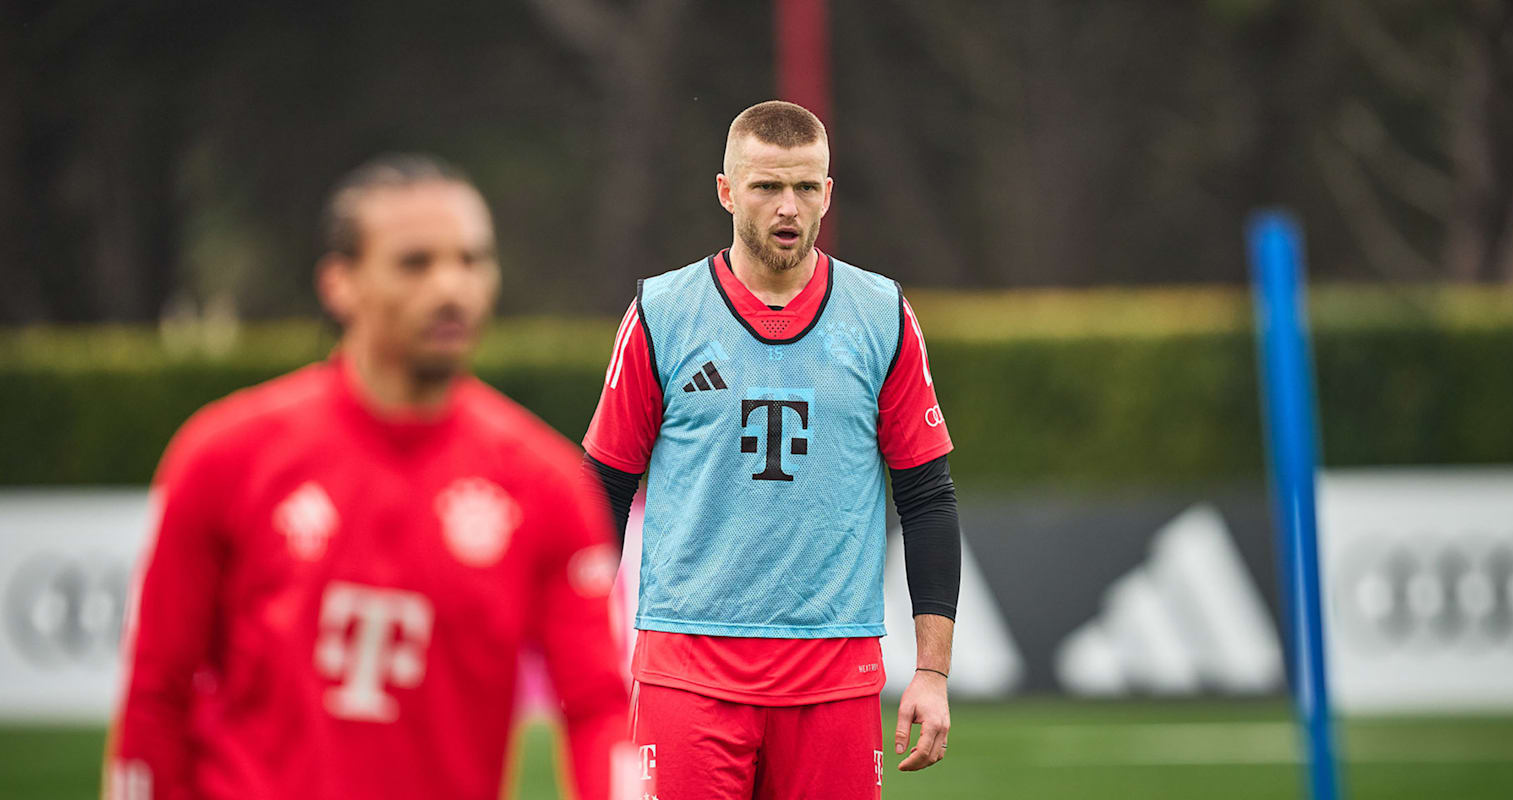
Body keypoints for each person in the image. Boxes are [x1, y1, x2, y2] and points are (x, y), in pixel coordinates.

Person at [105, 155, 632, 800]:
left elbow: (599, 707)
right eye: (416, 263)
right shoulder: (224, 456)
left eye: (471, 260)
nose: (452, 287)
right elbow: (157, 692)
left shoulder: (544, 484)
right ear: (340, 283)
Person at [583, 100, 962, 799]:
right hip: (686, 669)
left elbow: (927, 496)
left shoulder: (882, 314)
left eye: (806, 187)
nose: (788, 206)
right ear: (728, 191)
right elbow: (602, 489)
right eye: (766, 186)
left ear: (827, 192)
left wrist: (933, 673)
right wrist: (581, 665)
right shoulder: (662, 313)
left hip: (836, 677)